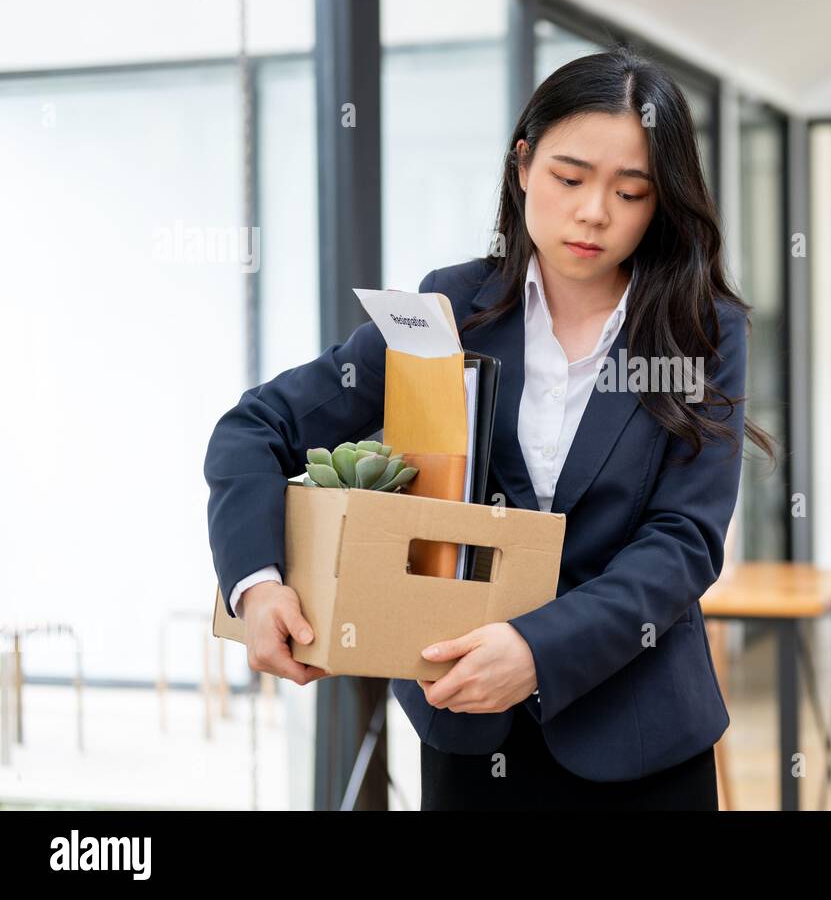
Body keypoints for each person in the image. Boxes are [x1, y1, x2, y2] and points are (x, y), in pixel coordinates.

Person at [204, 44, 776, 810]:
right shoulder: (451, 309)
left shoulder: (702, 331)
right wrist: (258, 585)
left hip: (639, 744)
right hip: (468, 732)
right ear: (523, 166)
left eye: (631, 192)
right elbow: (257, 426)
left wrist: (540, 650)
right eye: (569, 178)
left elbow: (683, 541)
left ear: (662, 201)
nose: (593, 212)